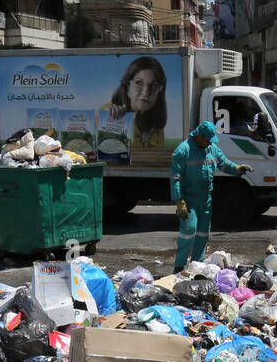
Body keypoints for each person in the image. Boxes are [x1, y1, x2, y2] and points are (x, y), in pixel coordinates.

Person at [169, 121, 253, 270]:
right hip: (188, 200)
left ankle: (197, 266)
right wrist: (179, 201)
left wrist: (238, 168)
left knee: (202, 234)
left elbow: (224, 163)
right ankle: (179, 267)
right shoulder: (183, 151)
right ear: (199, 136)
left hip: (205, 200)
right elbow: (175, 178)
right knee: (189, 231)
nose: (209, 143)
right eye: (207, 140)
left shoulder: (212, 148)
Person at [108, 57, 168, 151]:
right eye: (139, 83)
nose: (145, 93)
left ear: (160, 90)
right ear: (127, 86)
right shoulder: (109, 113)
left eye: (154, 85)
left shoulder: (156, 125)